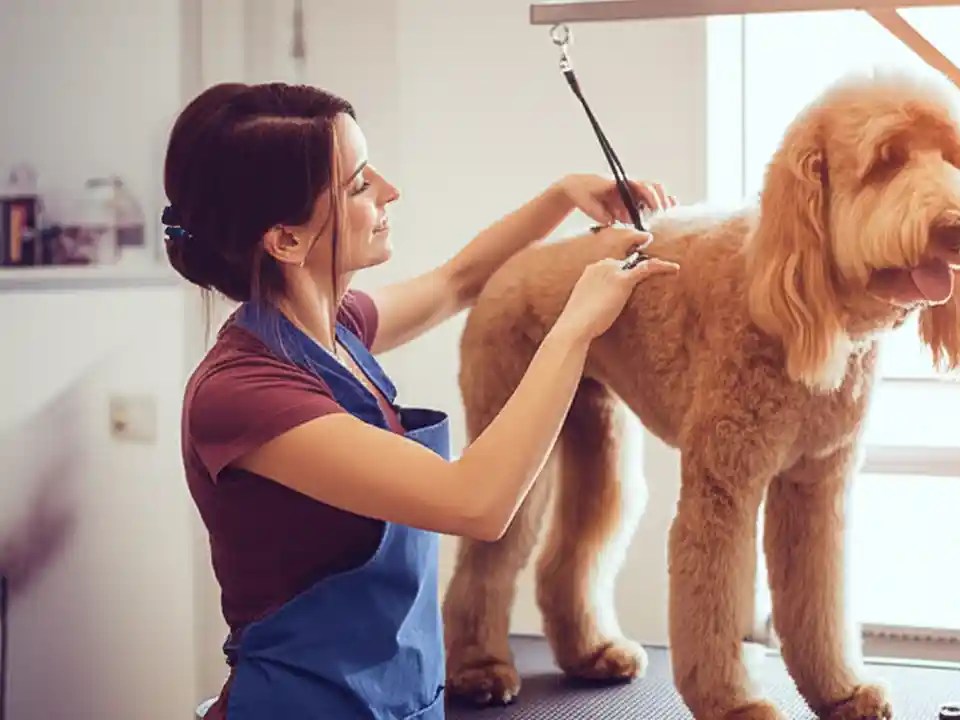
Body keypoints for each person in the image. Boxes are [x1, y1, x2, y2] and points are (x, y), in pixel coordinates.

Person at [166, 81, 679, 720]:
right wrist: (575, 326)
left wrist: (560, 196)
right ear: (286, 241)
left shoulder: (335, 329)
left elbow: (457, 281)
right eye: (357, 184)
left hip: (405, 699)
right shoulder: (242, 393)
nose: (388, 191)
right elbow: (476, 502)